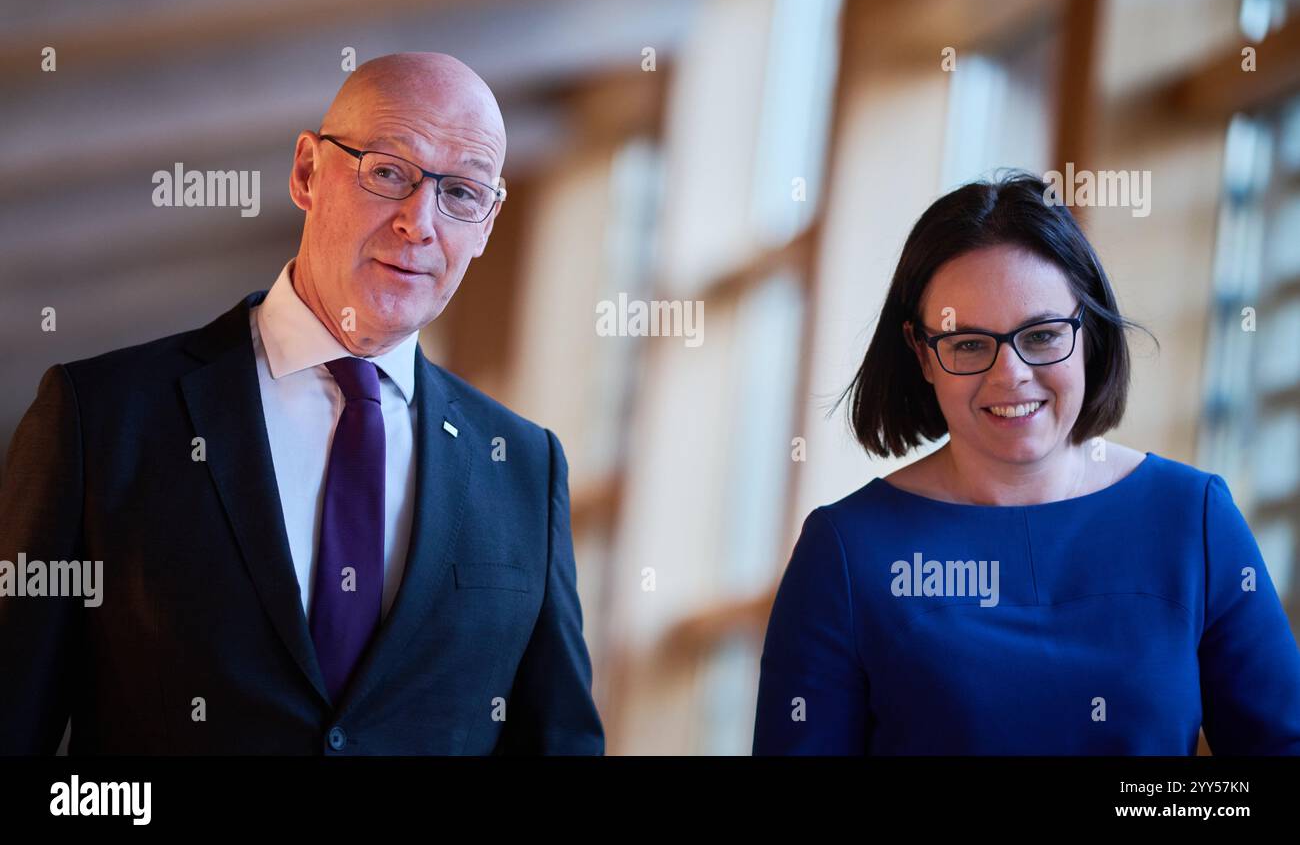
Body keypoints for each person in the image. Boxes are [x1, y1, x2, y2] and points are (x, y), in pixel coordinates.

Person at [0, 52, 604, 755]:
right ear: (308, 173)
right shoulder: (100, 420)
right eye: (387, 172)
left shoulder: (526, 469)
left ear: (487, 223)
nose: (419, 223)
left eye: (461, 194)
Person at [752, 171, 1300, 754]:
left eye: (1040, 335)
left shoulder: (1194, 519)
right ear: (922, 353)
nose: (1009, 373)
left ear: (1087, 331)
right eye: (968, 343)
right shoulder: (845, 553)